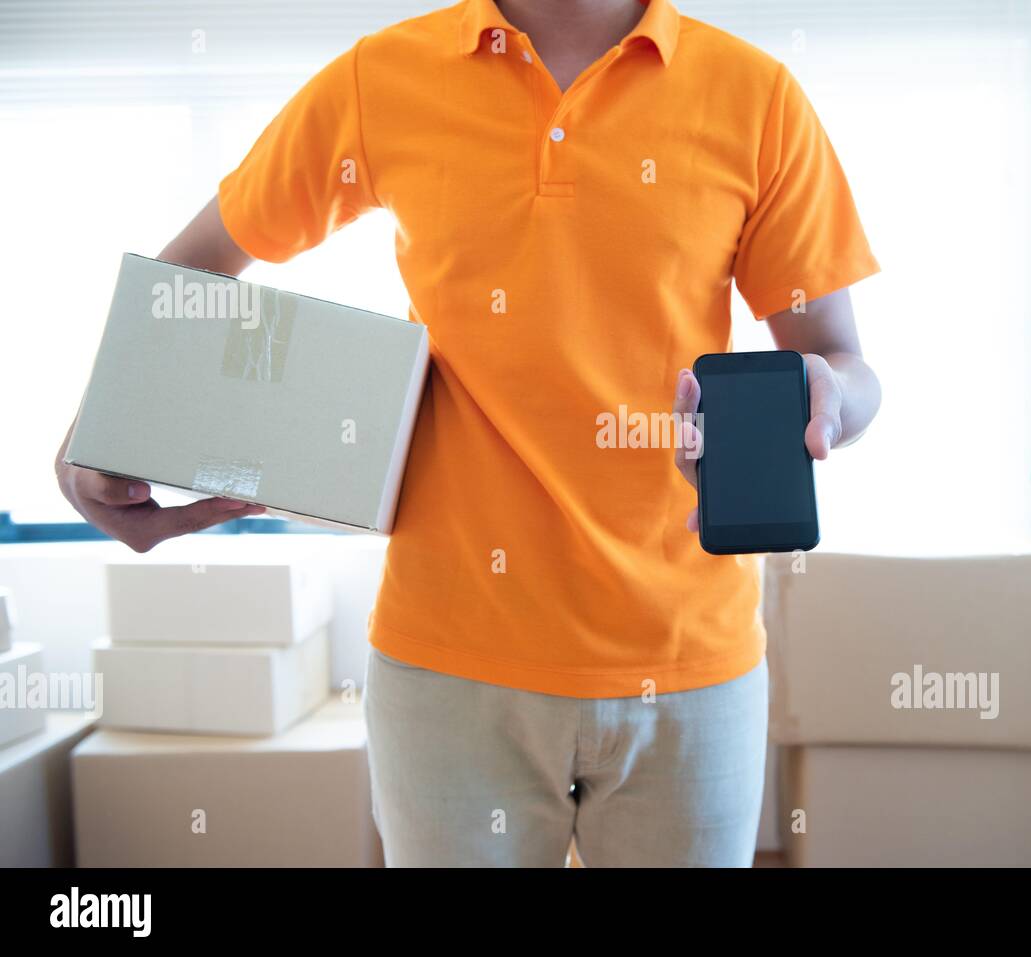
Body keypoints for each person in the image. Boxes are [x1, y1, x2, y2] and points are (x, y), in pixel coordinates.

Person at [54, 0, 881, 867]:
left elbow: (842, 361)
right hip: (446, 666)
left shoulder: (757, 97)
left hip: (689, 669)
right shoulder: (385, 79)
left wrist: (829, 395)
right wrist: (89, 431)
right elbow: (191, 270)